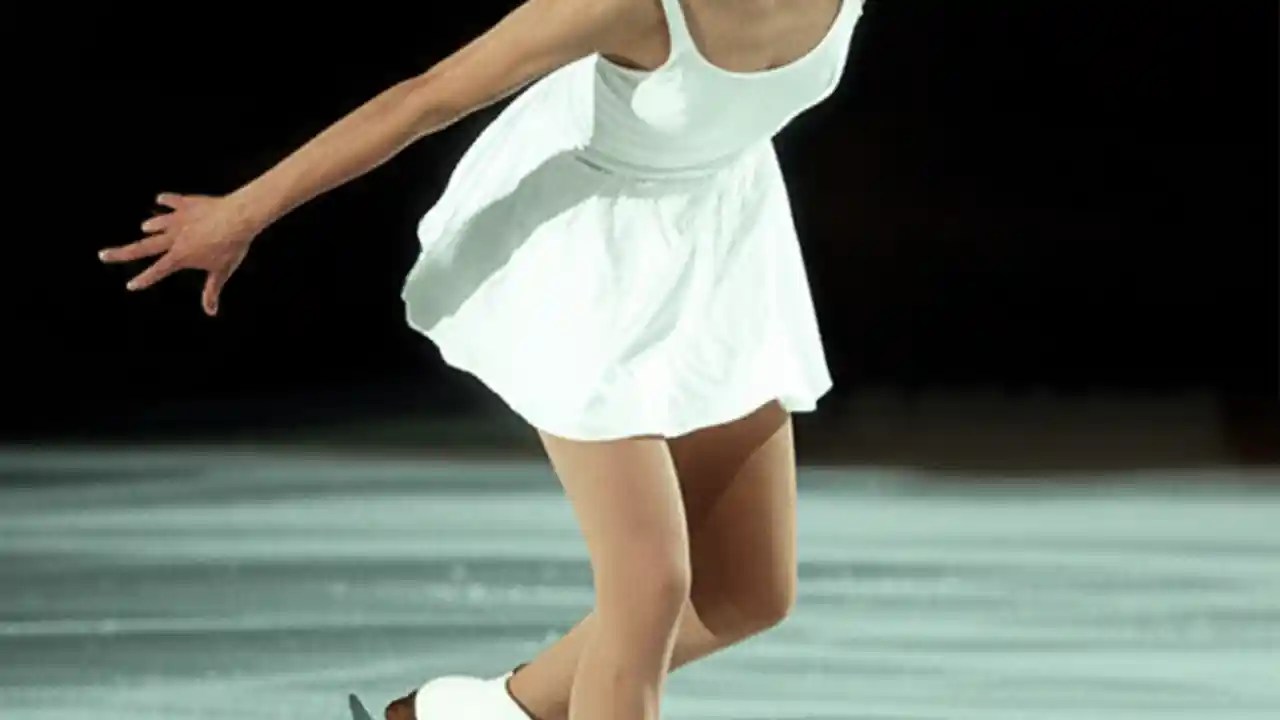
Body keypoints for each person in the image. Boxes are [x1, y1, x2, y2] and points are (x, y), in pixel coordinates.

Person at [98, 0, 865, 717]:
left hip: (720, 242)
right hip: (583, 253)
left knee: (748, 590)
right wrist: (242, 212)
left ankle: (473, 712)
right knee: (650, 585)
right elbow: (424, 97)